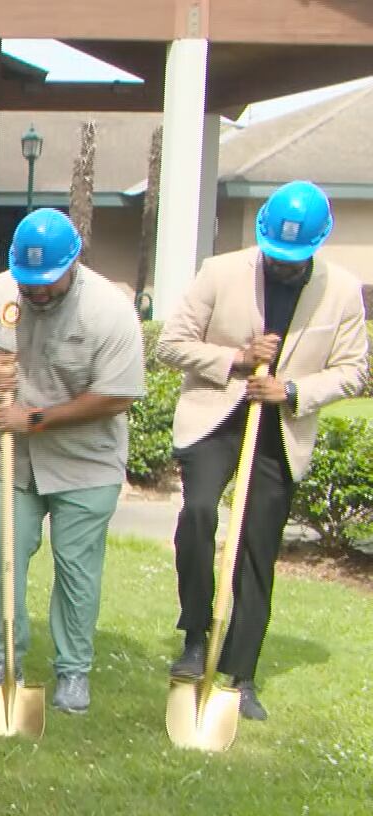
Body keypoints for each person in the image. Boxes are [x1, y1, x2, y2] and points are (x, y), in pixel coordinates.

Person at [157, 180, 369, 720]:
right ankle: (196, 634)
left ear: (318, 245)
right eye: (275, 255)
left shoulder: (343, 291)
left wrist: (293, 390)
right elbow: (171, 344)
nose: (282, 266)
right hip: (215, 415)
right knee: (200, 512)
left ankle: (242, 674)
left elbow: (354, 370)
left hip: (280, 426)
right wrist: (236, 357)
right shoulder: (220, 272)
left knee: (257, 545)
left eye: (293, 260)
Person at [0, 209, 146, 714]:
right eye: (28, 281)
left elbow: (118, 395)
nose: (35, 291)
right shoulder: (2, 291)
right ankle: (3, 659)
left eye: (47, 282)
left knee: (76, 568)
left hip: (86, 463)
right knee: (7, 555)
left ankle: (73, 674)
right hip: (14, 461)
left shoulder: (108, 311)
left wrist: (35, 419)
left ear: (74, 263)